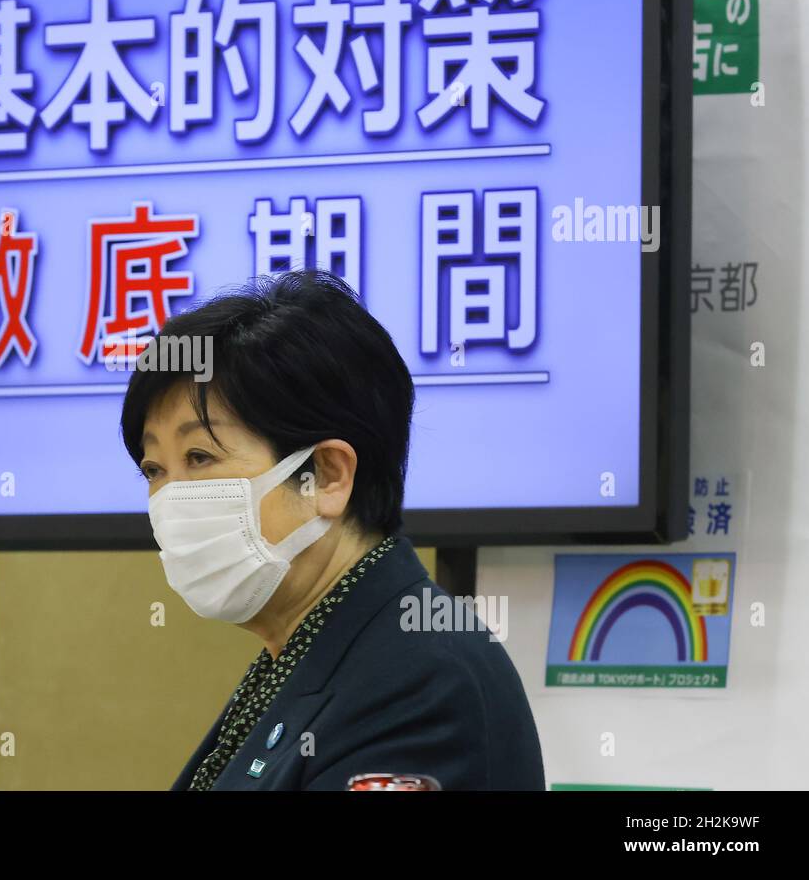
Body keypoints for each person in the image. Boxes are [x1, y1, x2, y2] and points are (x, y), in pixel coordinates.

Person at [120, 270, 545, 790]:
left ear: (327, 475)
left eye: (200, 457)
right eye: (154, 470)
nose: (170, 500)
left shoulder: (420, 679)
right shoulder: (307, 652)